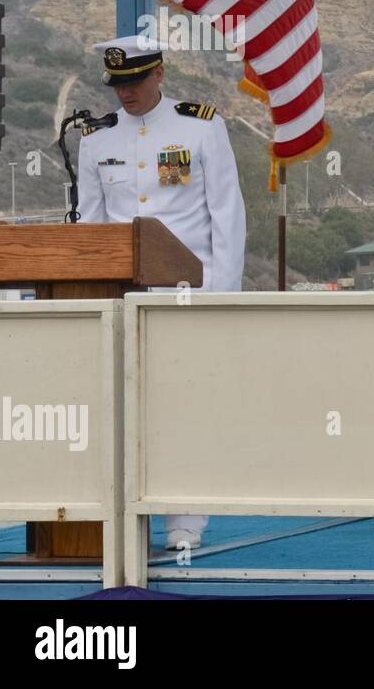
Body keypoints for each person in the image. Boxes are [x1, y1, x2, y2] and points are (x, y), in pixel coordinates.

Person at [77, 34, 247, 551]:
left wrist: (219, 295)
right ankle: (123, 512)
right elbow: (90, 224)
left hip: (186, 293)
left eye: (134, 82)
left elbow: (227, 214)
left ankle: (186, 519)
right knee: (122, 409)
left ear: (158, 75)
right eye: (117, 84)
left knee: (183, 407)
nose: (124, 94)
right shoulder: (95, 139)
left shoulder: (201, 125)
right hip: (123, 297)